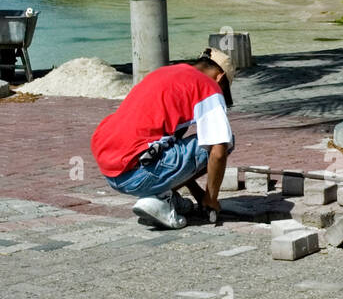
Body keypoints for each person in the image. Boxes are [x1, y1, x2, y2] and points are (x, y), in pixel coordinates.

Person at [90, 48, 236, 230]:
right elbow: (219, 152)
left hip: (113, 173)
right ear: (220, 77)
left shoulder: (166, 72)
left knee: (180, 145)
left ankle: (163, 193)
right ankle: (159, 197)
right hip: (139, 173)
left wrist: (199, 194)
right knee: (224, 139)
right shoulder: (209, 86)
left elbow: (171, 146)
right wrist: (212, 199)